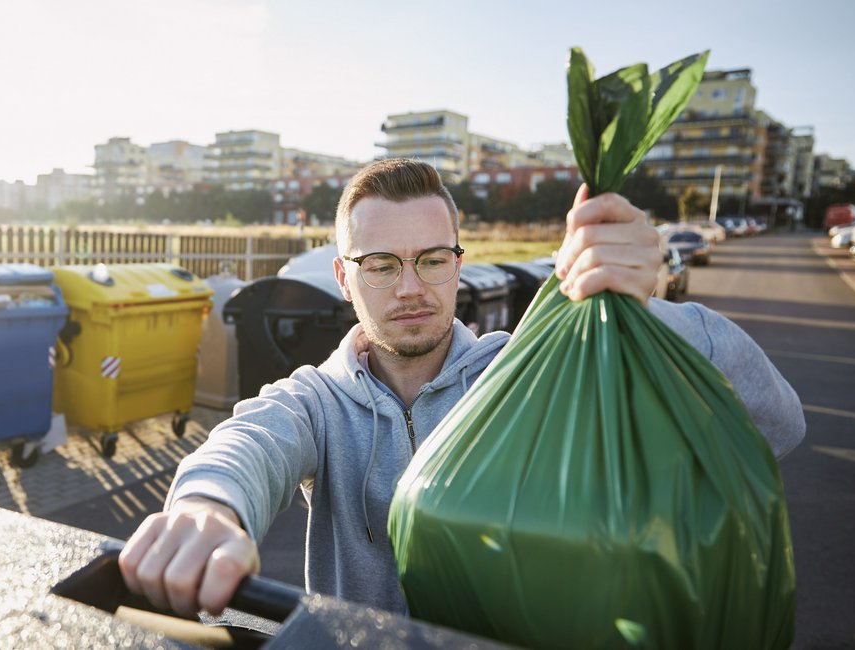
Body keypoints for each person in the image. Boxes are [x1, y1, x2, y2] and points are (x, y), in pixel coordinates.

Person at [119, 158, 805, 619]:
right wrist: (208, 508)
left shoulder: (523, 376)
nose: (412, 287)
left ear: (459, 264)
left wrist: (634, 313)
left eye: (432, 260)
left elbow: (776, 424)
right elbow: (251, 439)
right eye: (382, 264)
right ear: (343, 277)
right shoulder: (317, 402)